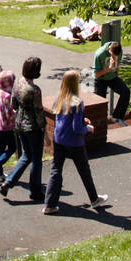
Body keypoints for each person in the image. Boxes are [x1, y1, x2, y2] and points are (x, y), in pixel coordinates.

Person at [44, 70, 108, 214]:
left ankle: (49, 204)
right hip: (73, 141)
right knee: (84, 170)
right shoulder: (77, 103)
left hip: (58, 138)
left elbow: (62, 119)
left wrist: (80, 119)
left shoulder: (59, 99)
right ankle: (94, 199)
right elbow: (76, 128)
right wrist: (88, 128)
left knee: (55, 170)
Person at [2, 57, 46, 200]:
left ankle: (9, 181)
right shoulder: (35, 90)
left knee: (26, 155)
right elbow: (39, 111)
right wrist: (43, 127)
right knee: (36, 160)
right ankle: (35, 191)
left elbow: (13, 105)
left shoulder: (18, 83)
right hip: (33, 128)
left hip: (19, 125)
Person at [93, 40, 130, 126]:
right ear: (109, 48)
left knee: (126, 92)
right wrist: (109, 68)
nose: (113, 57)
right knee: (101, 103)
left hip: (112, 77)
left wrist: (116, 72)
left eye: (115, 56)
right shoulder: (99, 54)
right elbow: (96, 74)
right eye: (112, 55)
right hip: (100, 79)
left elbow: (117, 65)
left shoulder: (119, 51)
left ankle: (117, 117)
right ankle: (100, 126)